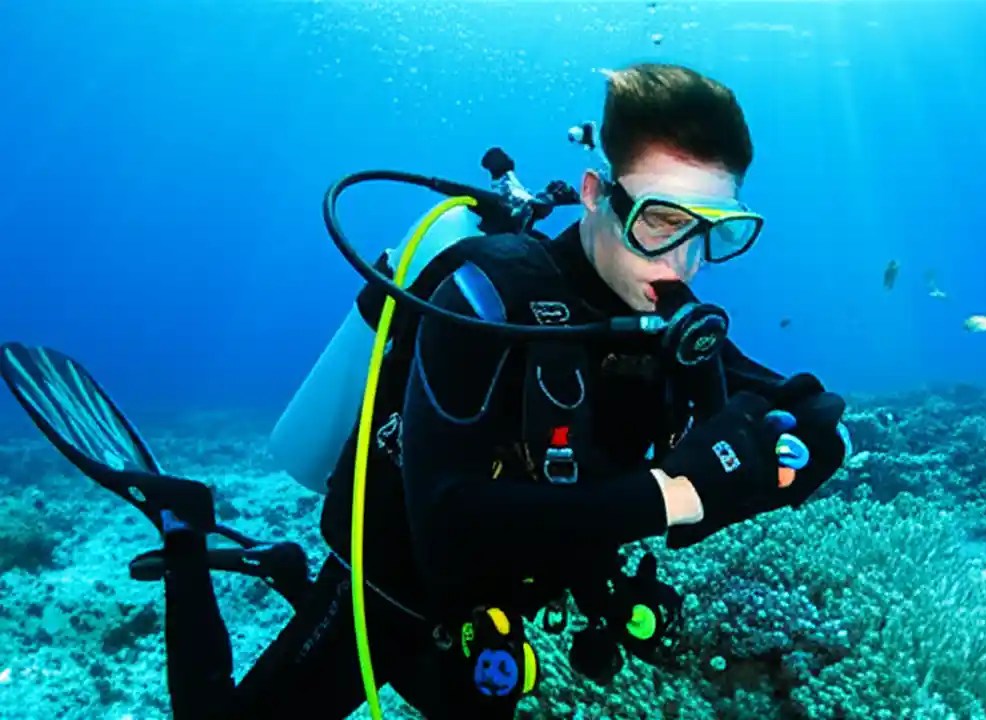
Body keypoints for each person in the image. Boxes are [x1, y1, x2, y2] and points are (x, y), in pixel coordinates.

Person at [1, 62, 848, 720]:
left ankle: (281, 571)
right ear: (596, 194)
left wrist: (807, 441)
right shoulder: (486, 299)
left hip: (511, 603)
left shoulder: (664, 310)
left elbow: (809, 409)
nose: (683, 265)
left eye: (715, 232)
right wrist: (681, 495)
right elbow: (448, 521)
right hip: (394, 592)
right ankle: (188, 527)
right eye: (662, 220)